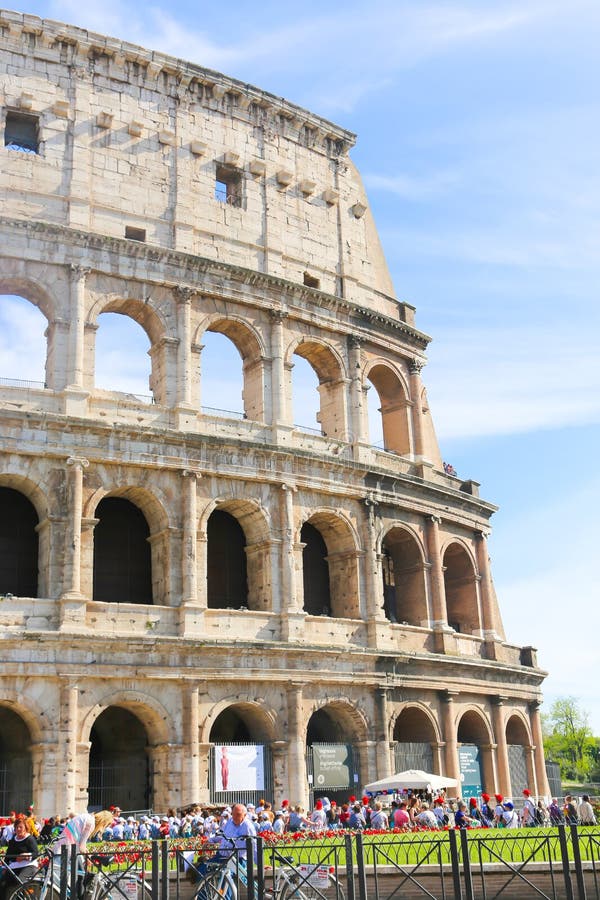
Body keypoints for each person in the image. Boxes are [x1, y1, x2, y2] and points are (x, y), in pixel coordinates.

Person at [0, 817, 39, 900]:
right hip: (15, 866)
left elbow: (36, 853)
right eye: (16, 827)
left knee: (18, 882)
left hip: (29, 866)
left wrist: (25, 856)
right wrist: (4, 868)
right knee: (2, 883)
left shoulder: (30, 839)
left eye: (20, 827)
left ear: (25, 828)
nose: (18, 829)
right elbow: (8, 855)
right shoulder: (13, 840)